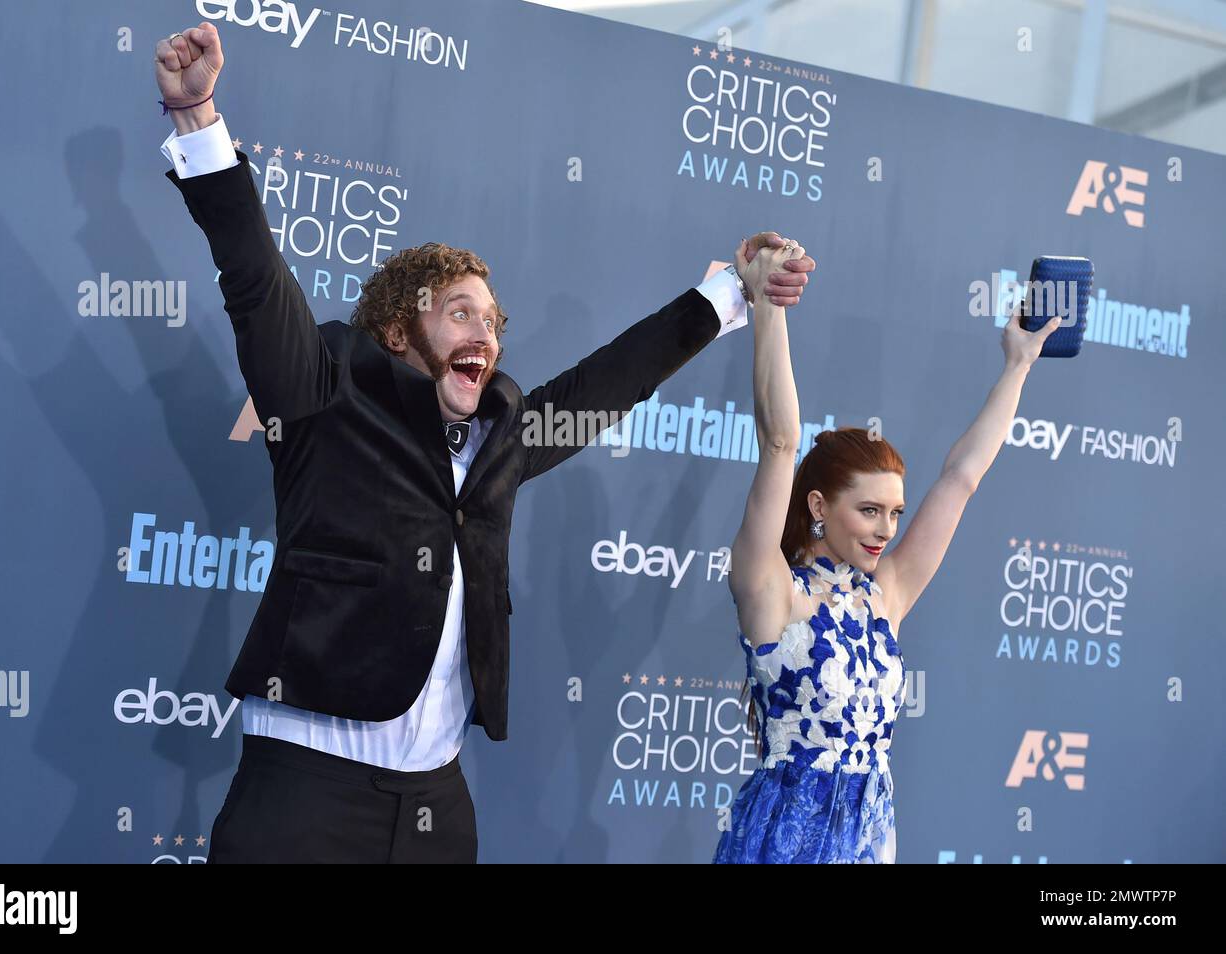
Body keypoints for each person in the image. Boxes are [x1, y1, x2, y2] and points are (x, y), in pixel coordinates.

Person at [154, 23, 816, 862]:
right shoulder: (323, 396)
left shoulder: (502, 440)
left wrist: (733, 290)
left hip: (436, 803)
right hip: (304, 796)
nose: (486, 333)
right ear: (397, 330)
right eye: (458, 312)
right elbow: (253, 276)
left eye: (493, 320)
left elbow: (608, 383)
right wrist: (198, 117)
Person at [713, 242, 1063, 863]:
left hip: (871, 838)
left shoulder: (887, 594)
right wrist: (772, 306)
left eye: (895, 513)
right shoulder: (772, 590)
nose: (886, 530)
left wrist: (1018, 365)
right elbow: (778, 441)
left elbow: (961, 477)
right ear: (819, 506)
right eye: (869, 510)